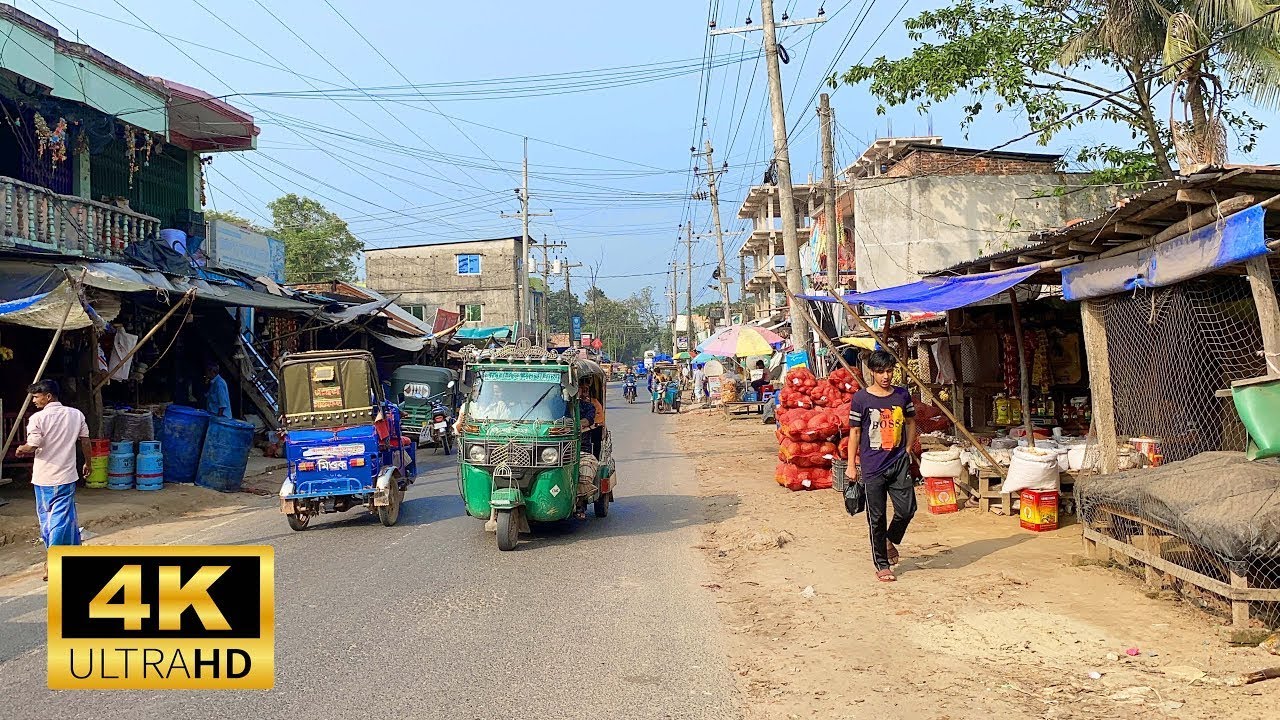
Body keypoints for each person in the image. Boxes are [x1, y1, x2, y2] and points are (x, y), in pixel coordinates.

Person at [849, 350, 917, 583]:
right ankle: (882, 563)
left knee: (908, 509)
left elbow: (910, 422)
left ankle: (889, 539)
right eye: (880, 372)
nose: (886, 376)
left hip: (898, 462)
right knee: (876, 517)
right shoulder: (861, 399)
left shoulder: (902, 395)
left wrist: (908, 449)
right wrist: (851, 465)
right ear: (872, 373)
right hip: (872, 466)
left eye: (889, 371)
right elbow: (855, 432)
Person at [14, 380, 90, 581]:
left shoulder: (38, 418)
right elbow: (85, 440)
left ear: (48, 396)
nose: (34, 401)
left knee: (51, 520)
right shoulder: (76, 415)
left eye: (36, 397)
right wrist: (88, 463)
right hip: (66, 476)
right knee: (64, 517)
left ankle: (53, 561)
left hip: (44, 477)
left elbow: (33, 444)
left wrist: (21, 449)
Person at [579, 380, 605, 459]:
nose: (584, 391)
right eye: (581, 388)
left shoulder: (590, 405)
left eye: (586, 389)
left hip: (585, 438)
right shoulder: (565, 405)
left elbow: (589, 420)